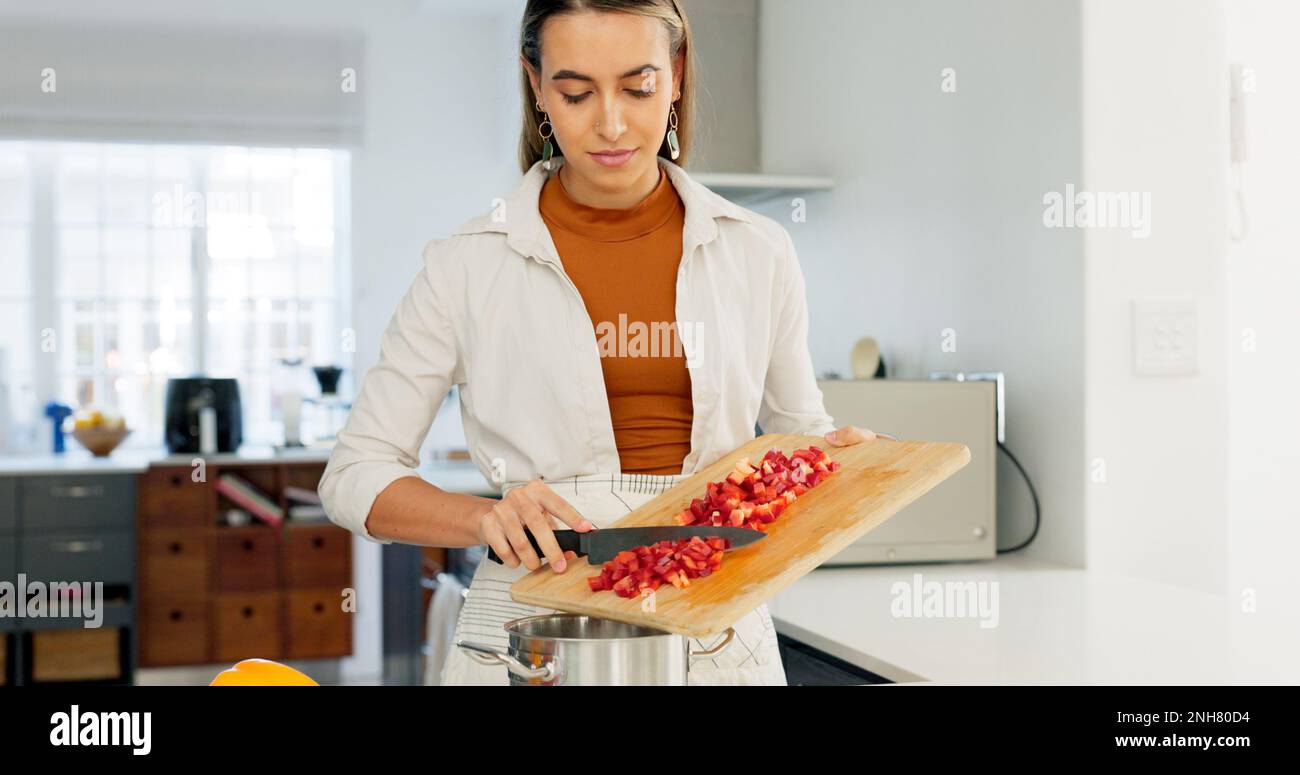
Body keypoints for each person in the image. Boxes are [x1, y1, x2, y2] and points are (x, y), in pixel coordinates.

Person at [319, 0, 877, 686]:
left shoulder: (758, 251)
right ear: (536, 85)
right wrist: (485, 517)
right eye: (576, 92)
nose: (610, 122)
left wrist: (833, 462)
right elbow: (353, 475)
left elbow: (798, 437)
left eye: (637, 88)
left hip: (716, 632)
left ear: (675, 76)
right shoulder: (465, 263)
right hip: (529, 632)